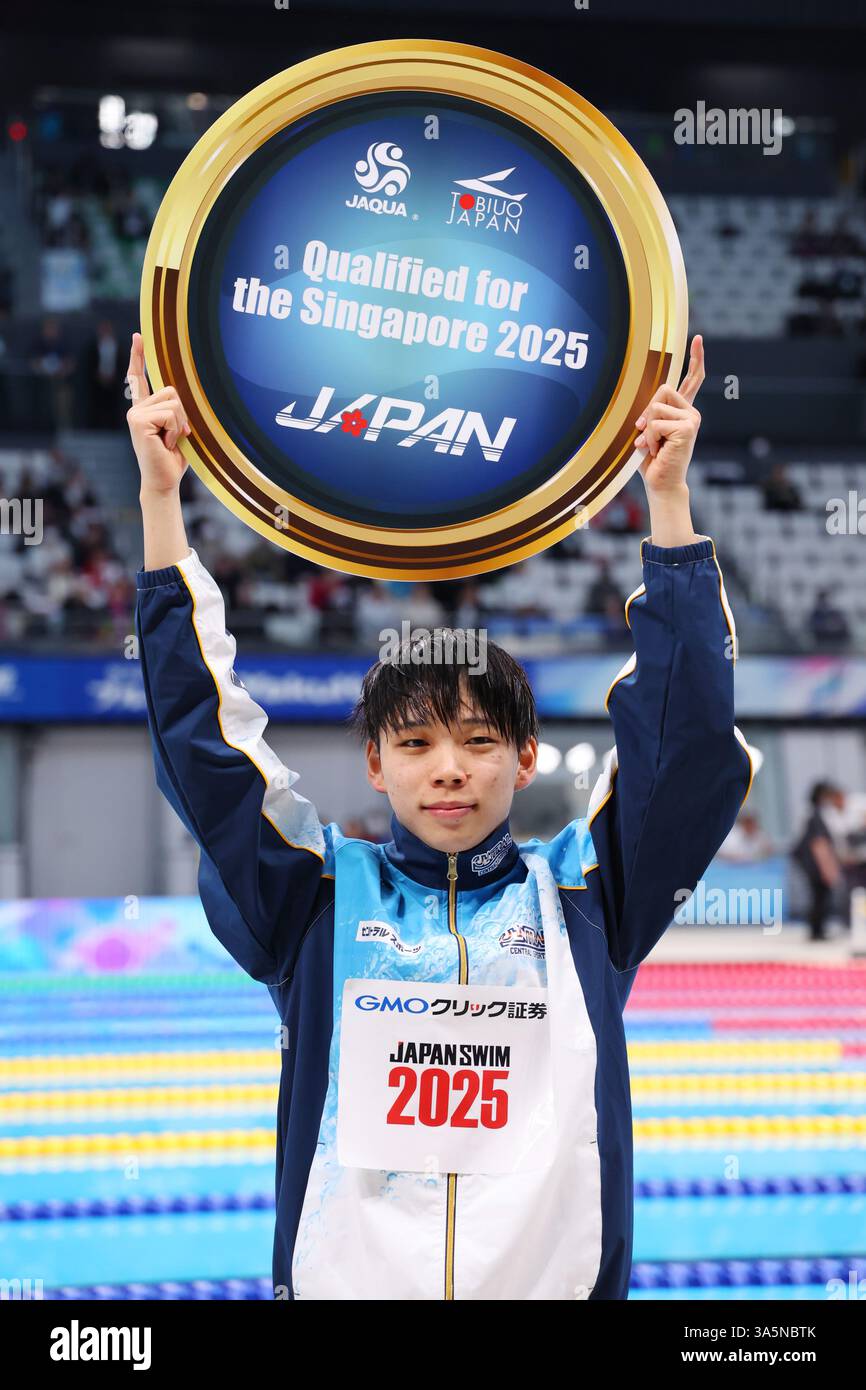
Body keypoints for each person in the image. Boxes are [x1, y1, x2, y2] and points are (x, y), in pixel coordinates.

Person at [127, 331, 753, 1301]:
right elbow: (202, 751)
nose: (449, 770)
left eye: (477, 741)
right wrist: (160, 501)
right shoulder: (313, 898)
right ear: (374, 765)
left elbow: (686, 749)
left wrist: (665, 504)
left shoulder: (587, 894)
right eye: (415, 745)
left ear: (525, 757)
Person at [791, 781, 846, 941]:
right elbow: (819, 845)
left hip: (810, 864)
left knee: (818, 897)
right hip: (814, 865)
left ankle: (817, 929)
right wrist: (827, 870)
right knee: (820, 897)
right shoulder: (816, 816)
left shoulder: (811, 815)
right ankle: (817, 931)